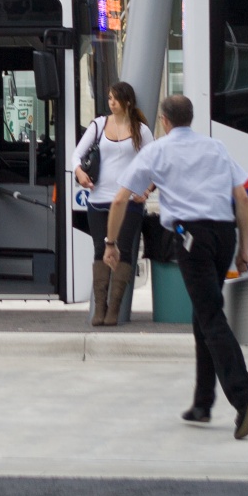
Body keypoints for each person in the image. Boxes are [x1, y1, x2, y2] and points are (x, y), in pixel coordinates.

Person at [105, 94, 248, 437]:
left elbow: (120, 198)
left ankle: (244, 395)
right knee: (203, 313)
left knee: (211, 315)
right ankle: (203, 403)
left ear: (164, 120)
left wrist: (111, 243)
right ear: (190, 118)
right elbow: (243, 198)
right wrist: (244, 249)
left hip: (192, 239)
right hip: (224, 235)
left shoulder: (157, 151)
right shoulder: (215, 148)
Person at [74, 80, 151, 326]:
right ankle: (100, 307)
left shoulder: (142, 130)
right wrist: (79, 172)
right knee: (101, 249)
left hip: (129, 201)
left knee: (125, 251)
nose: (111, 103)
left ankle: (114, 307)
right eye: (109, 98)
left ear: (128, 101)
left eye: (115, 98)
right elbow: (76, 154)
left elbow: (155, 163)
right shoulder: (98, 125)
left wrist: (146, 190)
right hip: (98, 198)